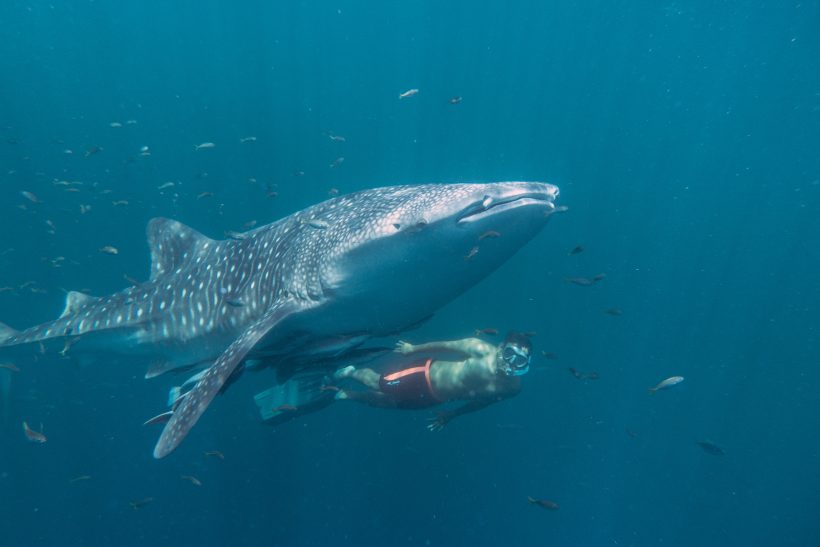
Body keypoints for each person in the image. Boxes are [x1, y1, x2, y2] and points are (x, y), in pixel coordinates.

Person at [333, 332, 532, 431]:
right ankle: (352, 372)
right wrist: (413, 349)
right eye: (509, 354)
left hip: (434, 398)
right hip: (423, 374)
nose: (511, 362)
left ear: (526, 363)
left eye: (519, 360)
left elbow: (483, 402)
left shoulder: (513, 388)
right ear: (501, 347)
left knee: (390, 403)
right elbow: (446, 346)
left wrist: (453, 414)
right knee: (379, 384)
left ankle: (348, 394)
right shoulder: (480, 349)